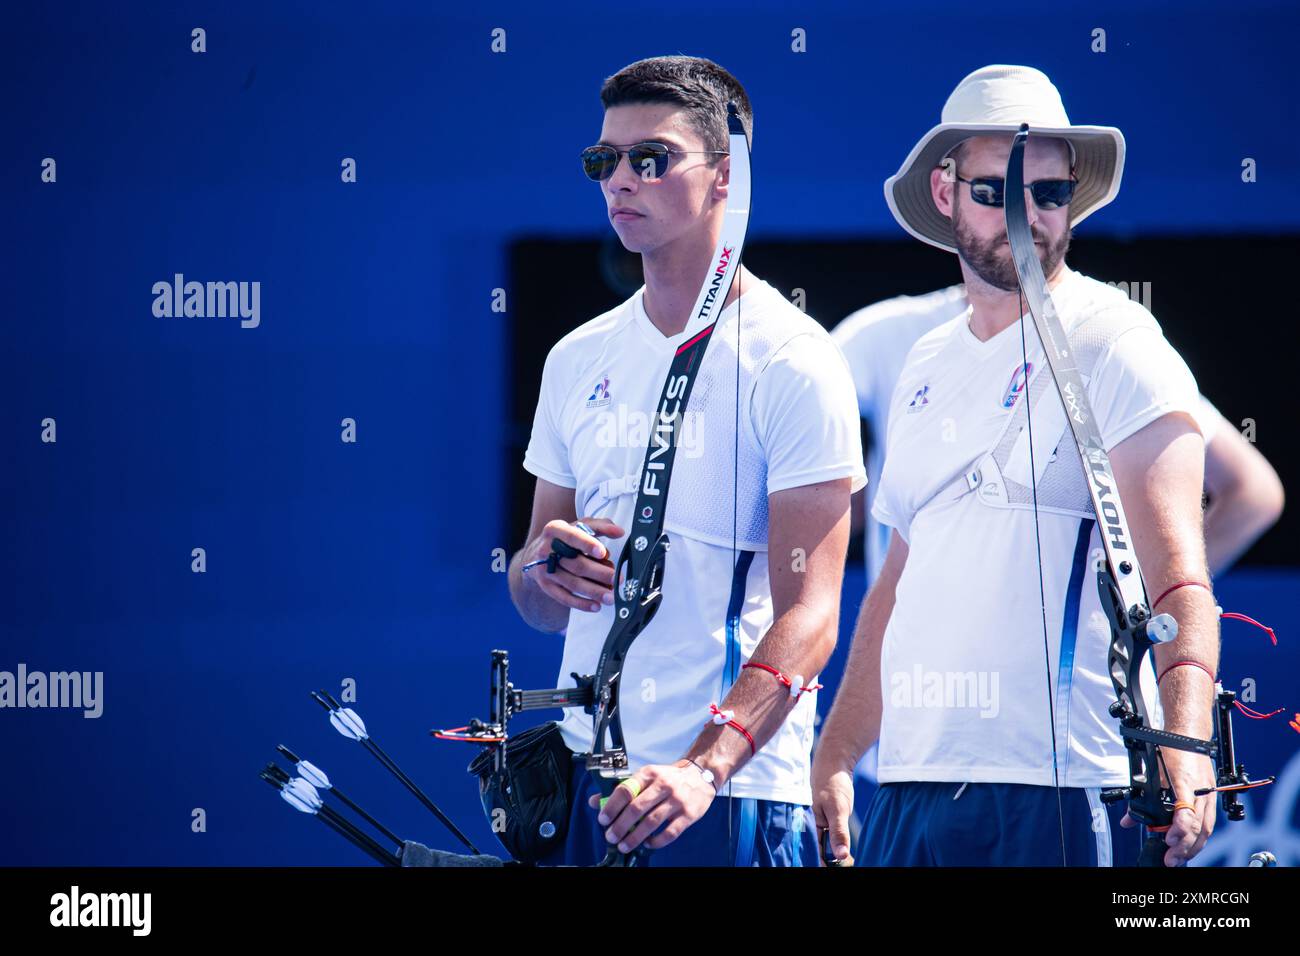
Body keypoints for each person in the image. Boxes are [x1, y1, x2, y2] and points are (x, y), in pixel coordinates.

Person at [813, 64, 1225, 866]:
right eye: (996, 189)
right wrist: (833, 755)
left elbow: (1179, 581)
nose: (1025, 213)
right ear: (944, 194)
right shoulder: (925, 361)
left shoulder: (1118, 342)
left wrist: (1186, 740)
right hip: (910, 784)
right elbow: (897, 585)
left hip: (1063, 791)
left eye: (1046, 193)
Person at [510, 55, 866, 866]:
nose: (620, 180)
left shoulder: (794, 360)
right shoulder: (576, 357)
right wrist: (545, 569)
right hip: (589, 786)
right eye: (604, 161)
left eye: (652, 158)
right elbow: (534, 597)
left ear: (725, 177)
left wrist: (705, 767)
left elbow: (811, 616)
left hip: (725, 792)